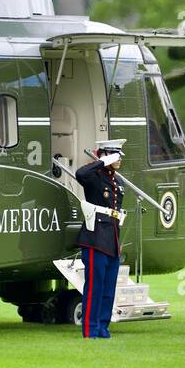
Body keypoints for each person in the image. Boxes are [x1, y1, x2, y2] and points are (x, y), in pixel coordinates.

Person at [75, 140, 125, 339]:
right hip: (95, 239)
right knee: (94, 287)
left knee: (108, 289)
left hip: (111, 240)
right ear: (104, 155)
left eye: (119, 155)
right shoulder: (94, 177)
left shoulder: (117, 182)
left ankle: (103, 327)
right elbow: (80, 174)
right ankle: (90, 329)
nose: (119, 159)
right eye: (114, 155)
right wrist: (102, 162)